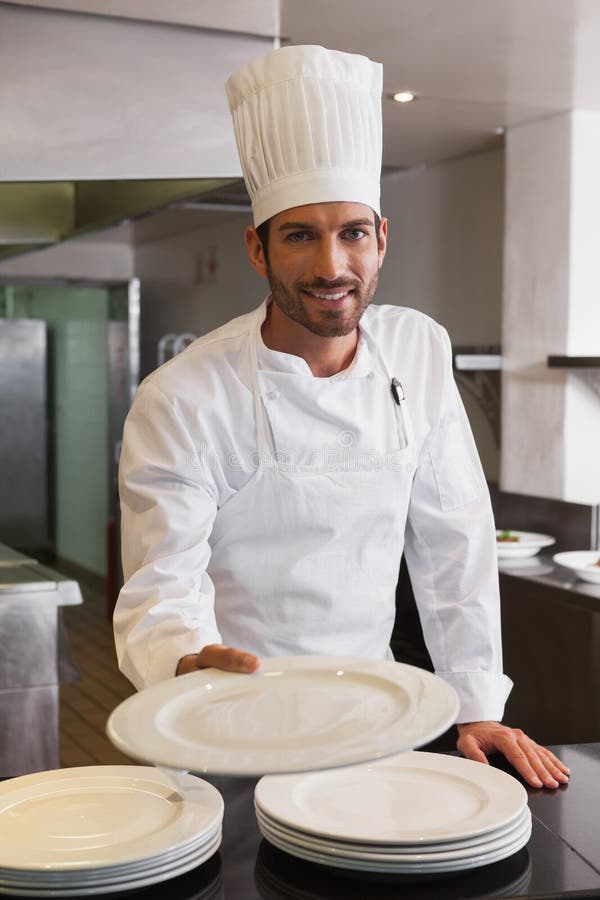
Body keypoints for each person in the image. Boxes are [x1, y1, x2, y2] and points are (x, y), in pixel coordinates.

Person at [114, 44, 569, 790]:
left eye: (352, 232)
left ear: (381, 239)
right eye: (300, 235)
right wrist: (184, 660)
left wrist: (476, 701)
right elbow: (162, 582)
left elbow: (454, 534)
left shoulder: (417, 348)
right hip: (229, 724)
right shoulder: (182, 395)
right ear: (257, 250)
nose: (332, 266)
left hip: (375, 717)